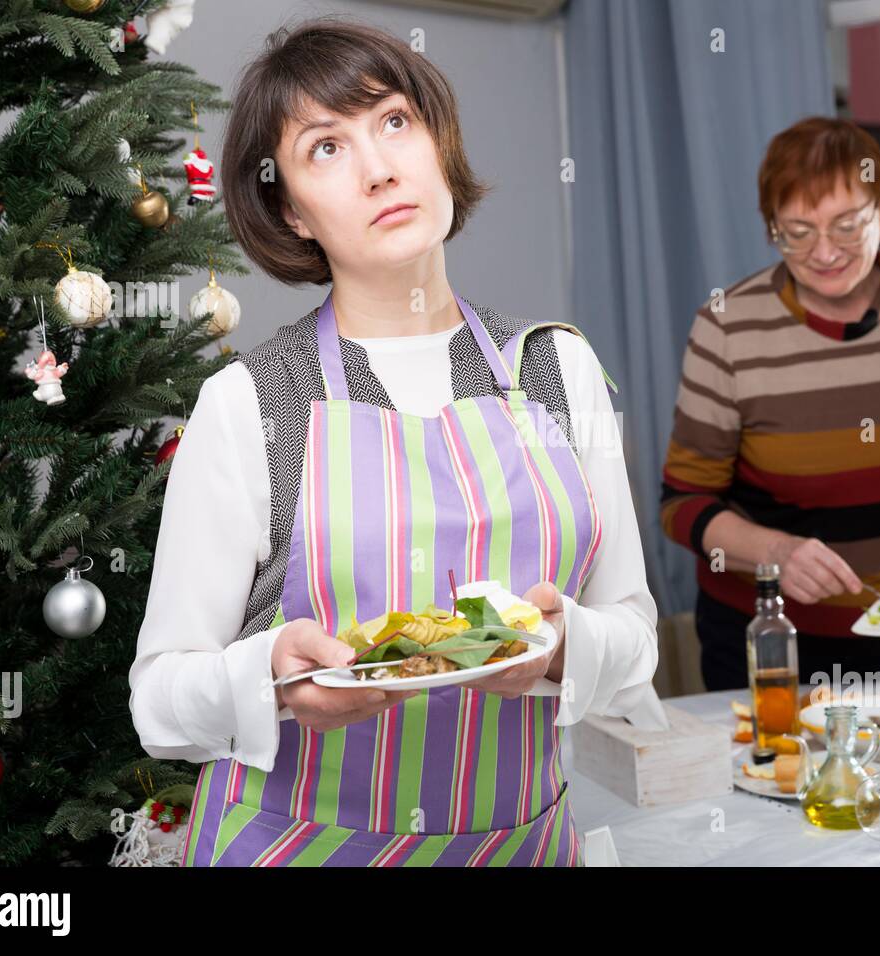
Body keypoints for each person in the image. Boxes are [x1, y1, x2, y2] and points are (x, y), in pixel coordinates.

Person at [128, 19, 660, 867]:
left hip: (521, 848)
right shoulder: (250, 403)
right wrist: (273, 675)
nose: (379, 167)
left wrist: (566, 649)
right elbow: (159, 701)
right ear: (291, 210)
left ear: (439, 144)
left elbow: (634, 633)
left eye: (395, 122)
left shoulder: (560, 367)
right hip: (299, 850)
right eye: (326, 149)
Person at [661, 116, 880, 692]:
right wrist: (776, 552)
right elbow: (683, 504)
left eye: (846, 225)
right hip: (772, 637)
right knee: (772, 783)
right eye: (797, 231)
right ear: (772, 229)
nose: (823, 252)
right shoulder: (729, 327)